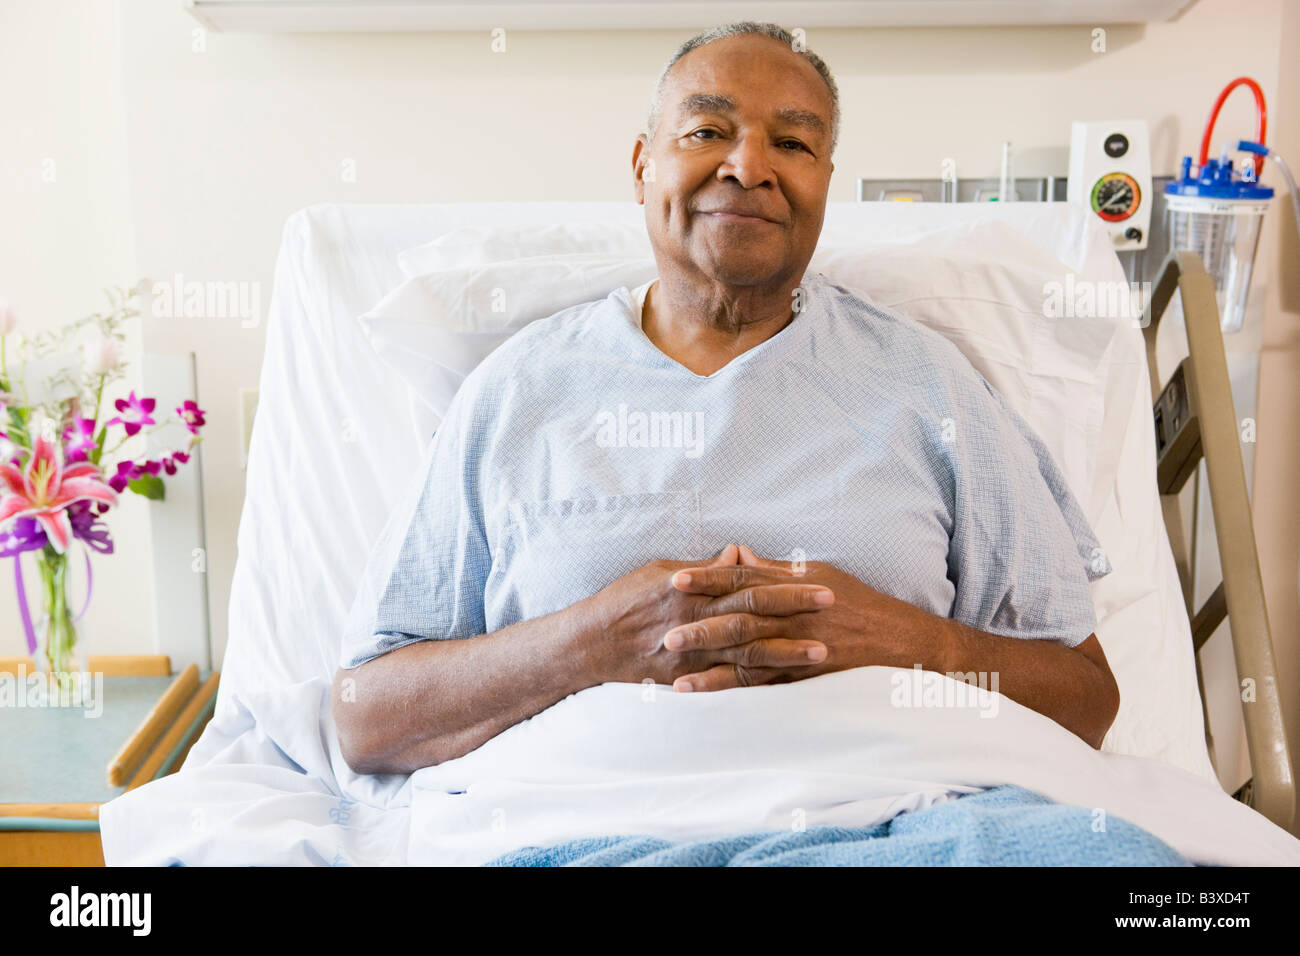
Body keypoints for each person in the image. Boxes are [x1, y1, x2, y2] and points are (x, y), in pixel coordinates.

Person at [332, 21, 1119, 776]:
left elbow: (1086, 700)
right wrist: (587, 644)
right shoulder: (518, 391)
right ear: (643, 164)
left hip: (898, 815)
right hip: (579, 821)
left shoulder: (930, 386)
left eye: (793, 142)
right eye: (707, 132)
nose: (749, 166)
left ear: (824, 184)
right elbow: (367, 717)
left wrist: (905, 642)